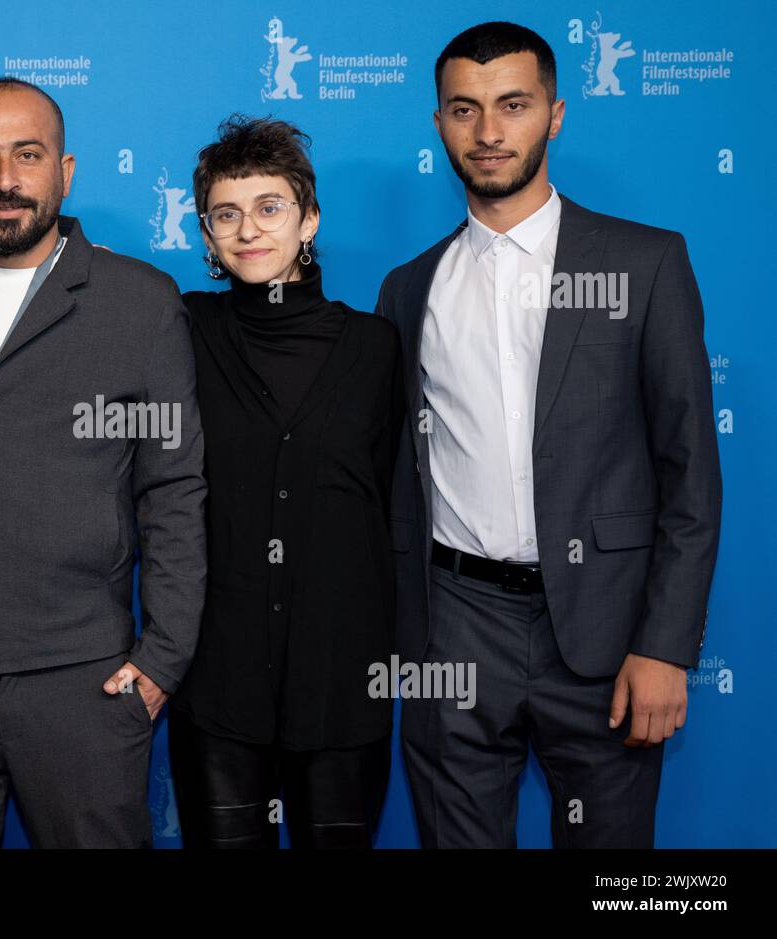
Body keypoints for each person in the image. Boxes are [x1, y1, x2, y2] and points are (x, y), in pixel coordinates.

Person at [376, 22, 722, 847]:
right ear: (439, 126)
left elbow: (691, 476)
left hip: (607, 638)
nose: (488, 132)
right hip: (453, 628)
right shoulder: (408, 287)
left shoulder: (645, 263)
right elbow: (398, 473)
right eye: (464, 109)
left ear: (555, 114)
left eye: (513, 105)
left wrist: (666, 646)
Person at [0, 77, 207, 848]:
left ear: (65, 169)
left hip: (83, 680)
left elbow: (175, 490)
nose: (5, 181)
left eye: (28, 155)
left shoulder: (140, 301)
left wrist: (162, 658)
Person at [167, 115, 403, 849]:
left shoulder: (374, 346)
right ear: (205, 233)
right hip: (218, 679)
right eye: (226, 214)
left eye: (270, 207)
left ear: (309, 219)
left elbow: (391, 503)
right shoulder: (180, 330)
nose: (248, 230)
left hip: (341, 678)